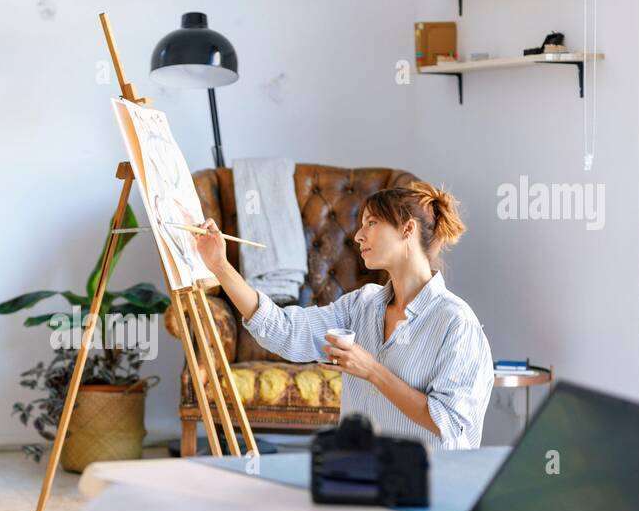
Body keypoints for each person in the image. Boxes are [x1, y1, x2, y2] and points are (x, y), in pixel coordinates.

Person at [193, 182, 494, 449]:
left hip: (425, 488)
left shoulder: (455, 323)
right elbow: (284, 330)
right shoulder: (361, 305)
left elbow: (451, 424)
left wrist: (373, 371)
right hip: (361, 479)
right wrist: (219, 265)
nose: (358, 236)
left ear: (407, 229)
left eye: (371, 222)